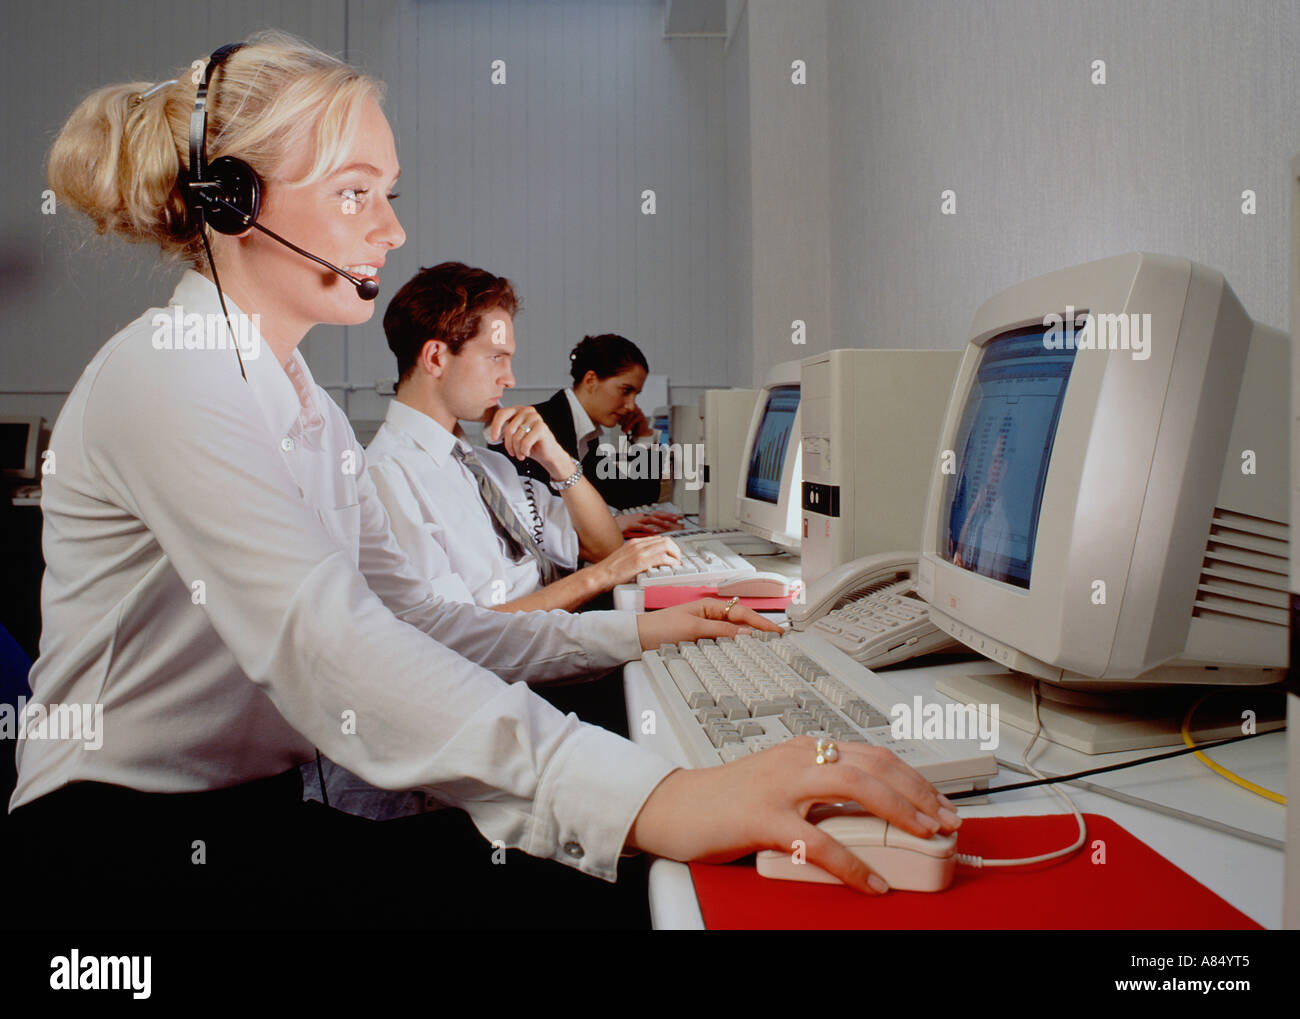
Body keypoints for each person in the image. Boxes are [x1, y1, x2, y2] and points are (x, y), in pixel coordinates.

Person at [8, 31, 959, 930]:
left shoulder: (304, 408)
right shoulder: (173, 371)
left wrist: (641, 628)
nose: (391, 226)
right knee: (616, 888)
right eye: (354, 193)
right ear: (233, 203)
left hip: (250, 812)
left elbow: (414, 620)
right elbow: (327, 645)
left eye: (389, 191)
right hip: (112, 847)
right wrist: (664, 797)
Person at [368, 261, 681, 613]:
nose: (510, 379)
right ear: (436, 358)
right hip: (507, 664)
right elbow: (455, 631)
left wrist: (559, 462)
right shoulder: (386, 478)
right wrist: (600, 577)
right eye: (496, 358)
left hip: (556, 638)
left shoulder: (492, 467)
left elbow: (606, 546)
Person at [497, 333, 683, 531]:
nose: (631, 406)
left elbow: (632, 496)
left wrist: (643, 435)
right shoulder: (540, 427)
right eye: (625, 391)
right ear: (591, 380)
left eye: (635, 395)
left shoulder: (585, 435)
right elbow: (533, 525)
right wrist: (611, 525)